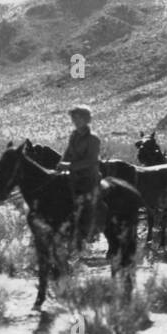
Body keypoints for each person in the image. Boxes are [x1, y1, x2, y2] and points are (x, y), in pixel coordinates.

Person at [58, 106, 101, 257]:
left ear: (86, 119)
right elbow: (68, 153)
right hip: (73, 175)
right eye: (73, 119)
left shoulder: (93, 139)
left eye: (78, 118)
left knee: (85, 203)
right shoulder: (74, 135)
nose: (75, 121)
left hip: (88, 177)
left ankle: (87, 233)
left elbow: (91, 161)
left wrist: (70, 166)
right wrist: (60, 164)